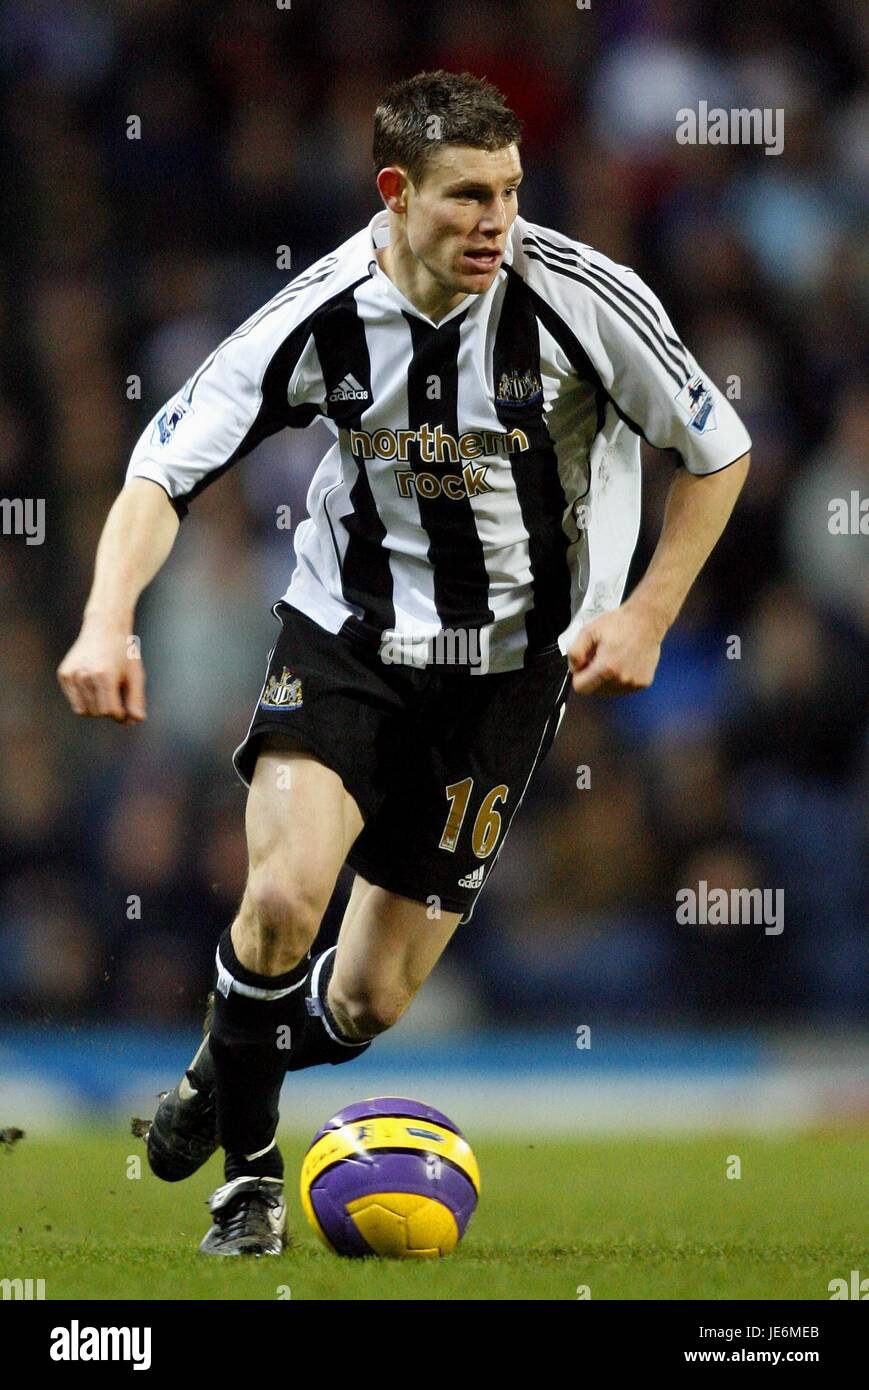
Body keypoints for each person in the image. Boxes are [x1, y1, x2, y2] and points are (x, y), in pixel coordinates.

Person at [57, 70, 751, 1255]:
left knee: (368, 999)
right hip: (346, 641)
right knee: (279, 900)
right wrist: (105, 616)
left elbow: (717, 449)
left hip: (506, 673)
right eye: (468, 196)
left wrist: (642, 615)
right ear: (394, 192)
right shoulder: (320, 311)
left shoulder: (582, 300)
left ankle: (220, 1068)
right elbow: (161, 467)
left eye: (512, 191)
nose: (497, 220)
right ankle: (250, 1184)